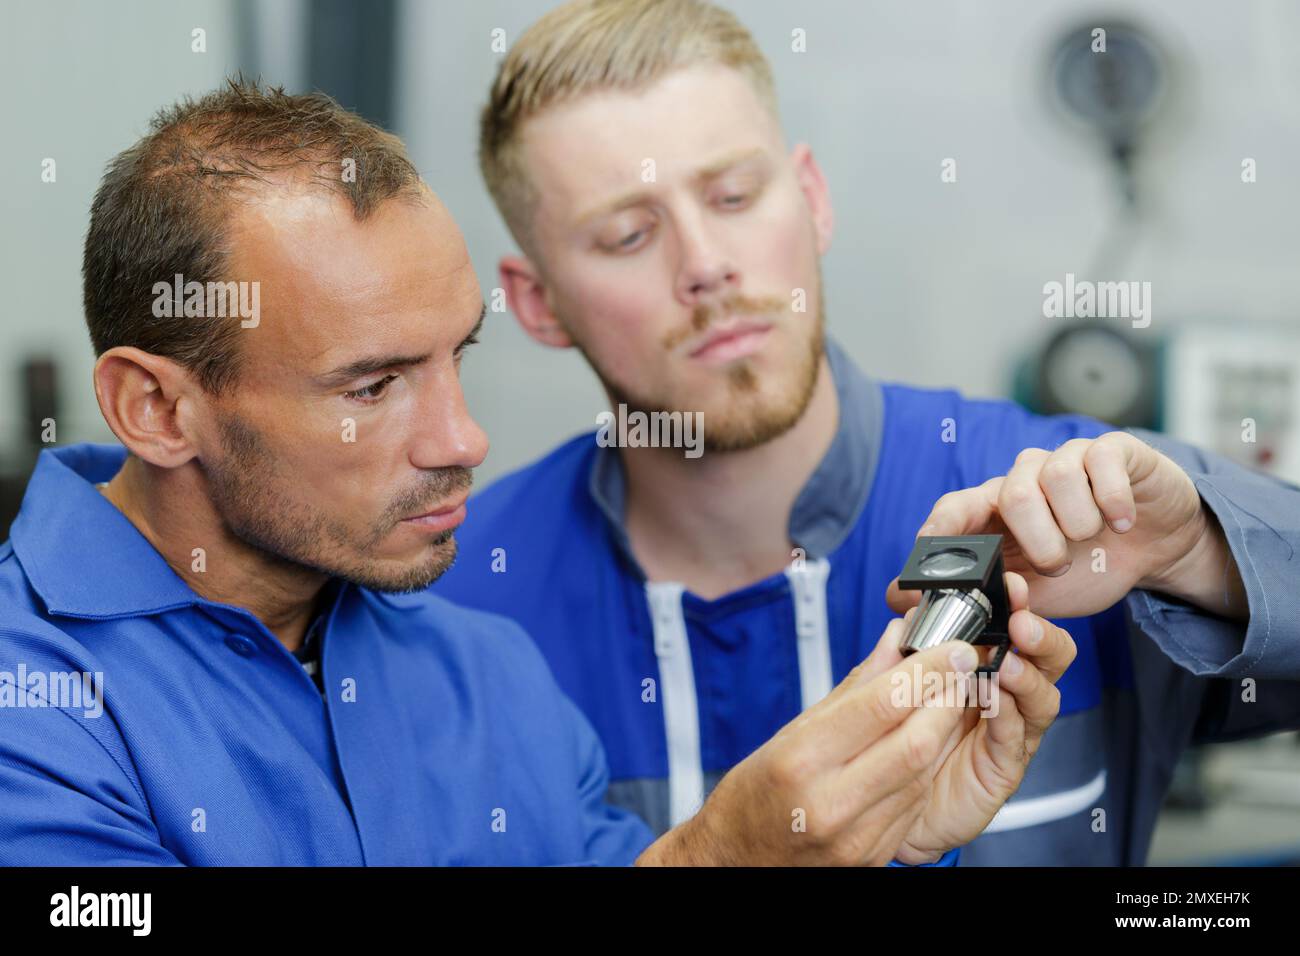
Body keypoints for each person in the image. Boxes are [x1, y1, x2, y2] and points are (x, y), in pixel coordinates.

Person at [0, 80, 1071, 866]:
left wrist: (866, 837)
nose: (461, 439)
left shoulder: (483, 667)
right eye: (370, 387)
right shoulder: (30, 704)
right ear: (157, 407)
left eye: (453, 357)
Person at [433, 0, 1300, 864]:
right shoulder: (450, 609)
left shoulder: (1066, 510)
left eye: (734, 195)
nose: (705, 266)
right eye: (628, 235)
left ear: (811, 199)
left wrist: (1197, 554)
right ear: (539, 302)